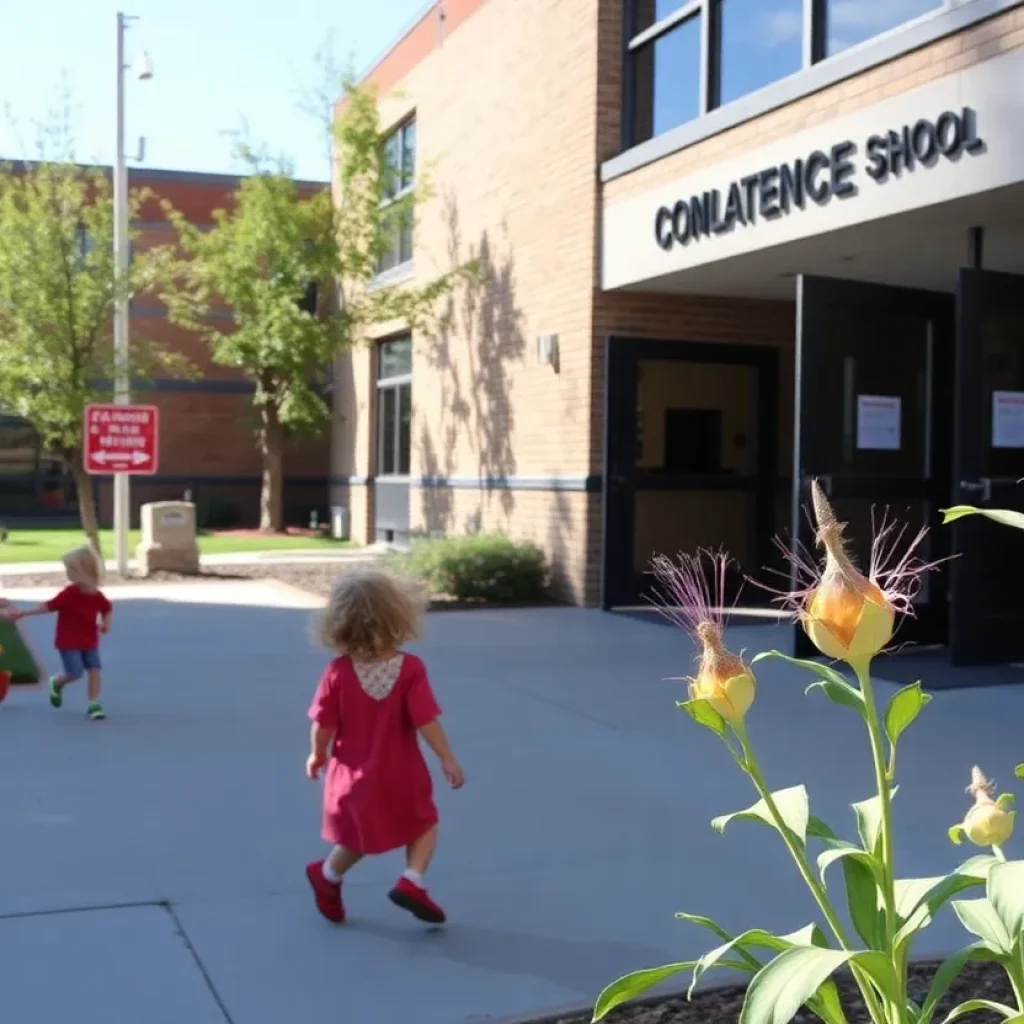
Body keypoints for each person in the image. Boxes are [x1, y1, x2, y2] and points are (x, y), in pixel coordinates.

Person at [305, 567, 465, 926]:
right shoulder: (410, 669)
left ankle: (328, 875)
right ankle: (412, 880)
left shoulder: (337, 672)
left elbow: (323, 723)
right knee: (424, 822)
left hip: (351, 777)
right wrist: (447, 758)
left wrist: (317, 754)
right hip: (400, 772)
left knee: (361, 835)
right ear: (398, 615)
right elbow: (426, 721)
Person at [6, 545, 111, 720]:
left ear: (82, 571)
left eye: (70, 569)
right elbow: (47, 606)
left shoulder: (96, 595)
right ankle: (56, 682)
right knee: (75, 672)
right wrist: (23, 613)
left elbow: (107, 608)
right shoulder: (69, 594)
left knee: (94, 669)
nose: (67, 573)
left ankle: (94, 703)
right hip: (68, 641)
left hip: (89, 639)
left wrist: (106, 623)